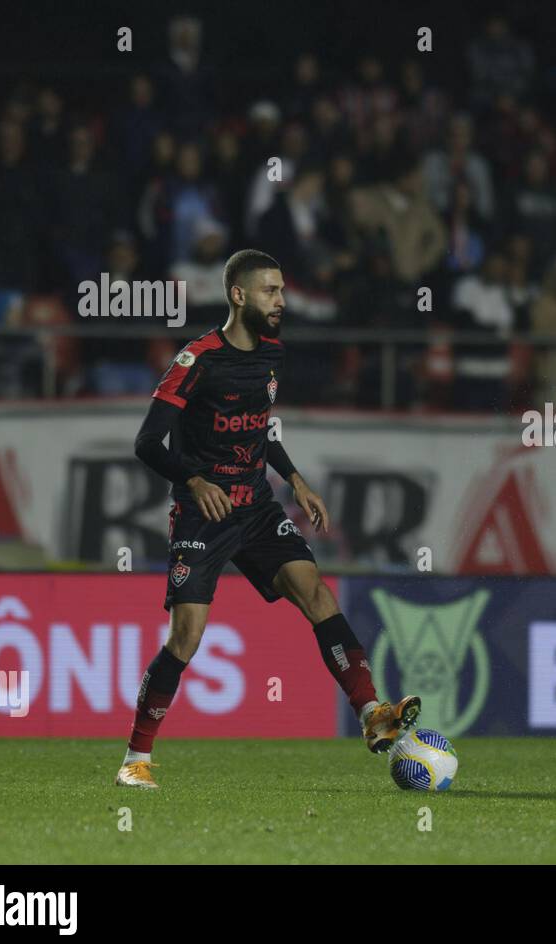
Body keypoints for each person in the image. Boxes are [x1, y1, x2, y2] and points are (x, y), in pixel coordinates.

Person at [118, 249, 419, 789]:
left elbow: (259, 429)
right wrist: (193, 480)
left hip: (256, 505)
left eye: (281, 290)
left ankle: (371, 711)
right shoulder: (198, 359)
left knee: (318, 594)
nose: (281, 301)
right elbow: (146, 442)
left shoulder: (272, 355)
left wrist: (296, 479)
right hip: (203, 511)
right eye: (270, 291)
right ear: (238, 295)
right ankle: (135, 759)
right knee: (185, 639)